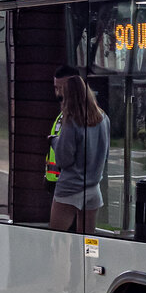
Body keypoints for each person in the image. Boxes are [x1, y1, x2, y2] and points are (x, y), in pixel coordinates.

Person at [49, 67, 110, 233]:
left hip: (70, 188)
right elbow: (105, 154)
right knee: (88, 241)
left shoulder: (72, 121)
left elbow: (63, 159)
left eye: (61, 90)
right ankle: (89, 260)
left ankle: (61, 261)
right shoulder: (103, 118)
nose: (59, 94)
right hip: (93, 189)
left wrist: (54, 141)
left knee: (56, 238)